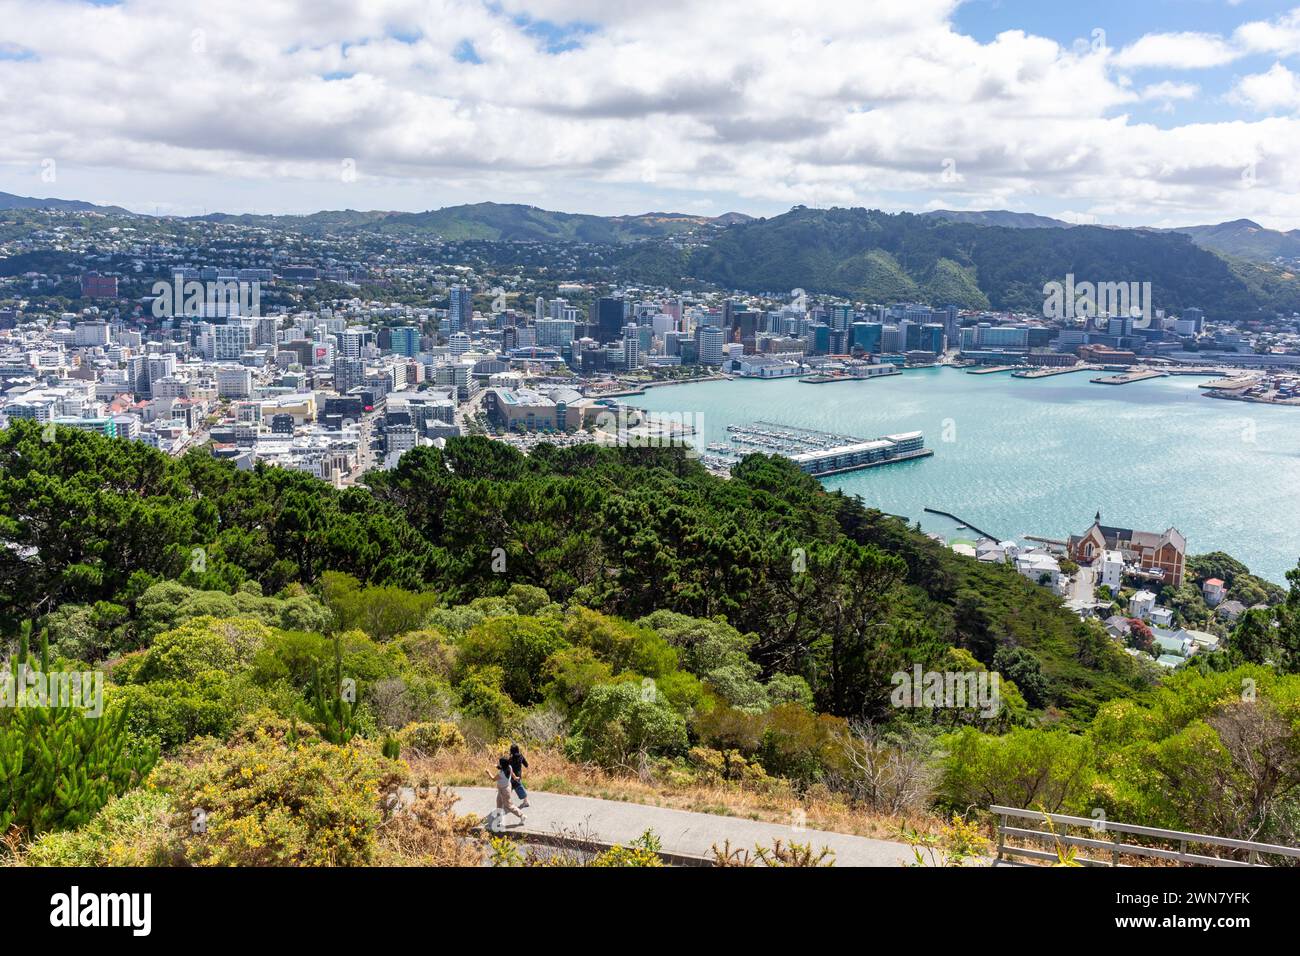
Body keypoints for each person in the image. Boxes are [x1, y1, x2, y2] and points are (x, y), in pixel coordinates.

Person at [487, 756, 525, 824]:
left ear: (502, 764)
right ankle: (499, 819)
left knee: (509, 806)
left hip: (504, 790)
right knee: (499, 803)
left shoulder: (501, 774)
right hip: (505, 787)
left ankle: (522, 816)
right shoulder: (509, 767)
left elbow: (493, 779)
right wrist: (515, 777)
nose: (498, 763)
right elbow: (511, 773)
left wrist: (488, 772)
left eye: (499, 763)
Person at [508, 743, 530, 808]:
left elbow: (507, 766)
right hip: (518, 775)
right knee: (516, 788)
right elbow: (526, 765)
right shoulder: (521, 756)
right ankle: (508, 803)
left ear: (511, 750)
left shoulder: (511, 758)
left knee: (511, 788)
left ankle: (526, 802)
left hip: (512, 775)